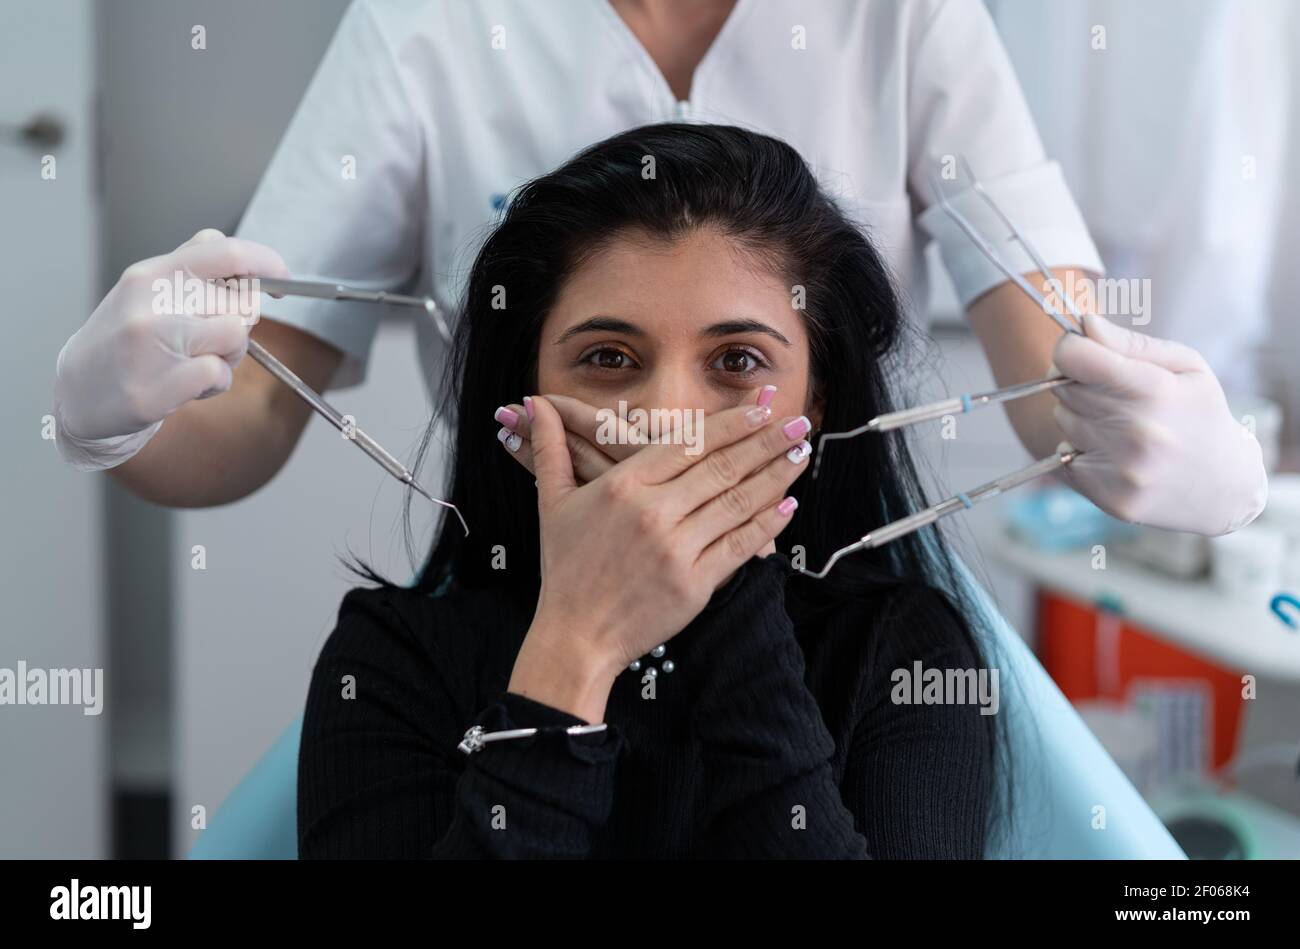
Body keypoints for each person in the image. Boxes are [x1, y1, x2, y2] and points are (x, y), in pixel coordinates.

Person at [51, 0, 1266, 536]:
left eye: (736, 354)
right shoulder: (423, 25)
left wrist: (1176, 452)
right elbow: (253, 410)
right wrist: (123, 423)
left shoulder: (907, 16)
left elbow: (1063, 373)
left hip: (837, 608)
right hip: (516, 588)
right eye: (610, 354)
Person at [298, 123, 1000, 859]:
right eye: (608, 357)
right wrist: (575, 644)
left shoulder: (906, 654)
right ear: (527, 387)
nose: (668, 419)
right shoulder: (388, 658)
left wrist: (729, 594)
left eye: (737, 359)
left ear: (815, 403)